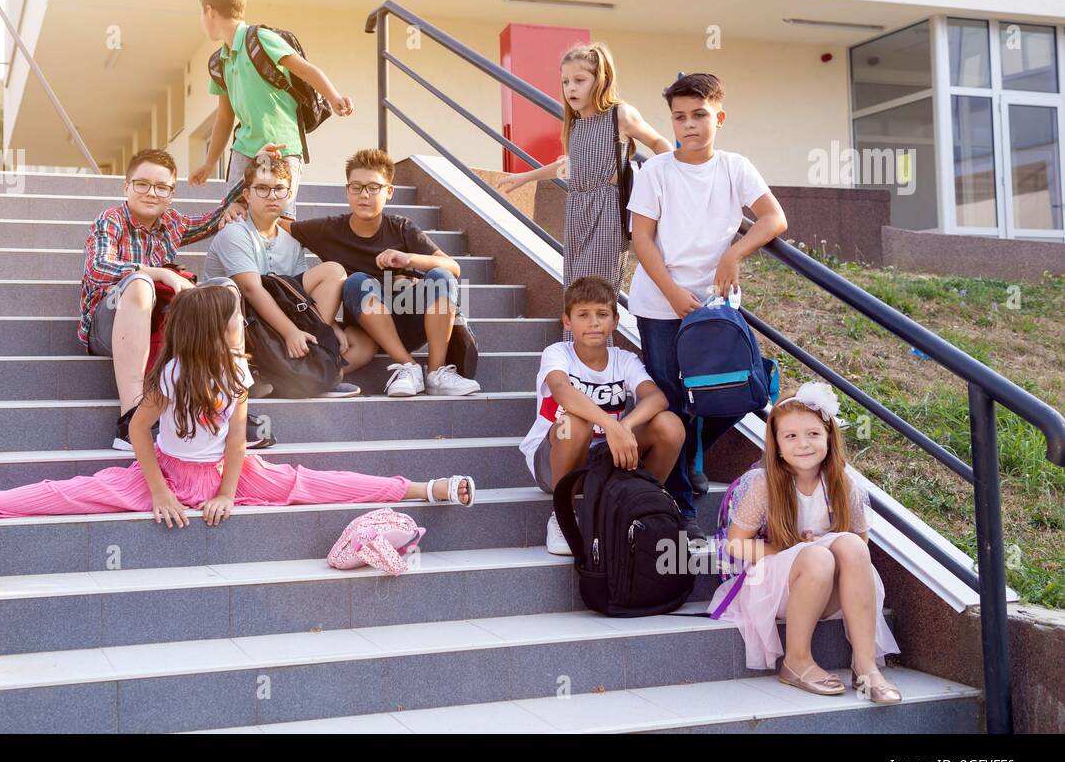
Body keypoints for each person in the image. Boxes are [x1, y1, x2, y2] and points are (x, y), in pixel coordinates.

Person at [0, 284, 475, 528]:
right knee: (67, 495)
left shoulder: (238, 370)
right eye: (236, 319)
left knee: (316, 482)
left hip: (227, 474)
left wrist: (230, 491)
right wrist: (158, 490)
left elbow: (236, 440)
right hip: (162, 475)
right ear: (214, 329)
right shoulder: (176, 372)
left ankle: (425, 489)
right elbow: (139, 432)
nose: (242, 325)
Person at [626, 72, 788, 540]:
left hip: (715, 304)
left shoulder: (735, 167)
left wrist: (734, 252)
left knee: (748, 388)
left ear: (718, 116)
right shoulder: (656, 170)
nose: (689, 125)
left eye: (699, 115)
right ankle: (681, 504)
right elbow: (642, 238)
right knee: (672, 401)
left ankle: (696, 446)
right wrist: (673, 293)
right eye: (679, 117)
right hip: (660, 303)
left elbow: (774, 218)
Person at [708, 382, 902, 703]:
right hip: (773, 586)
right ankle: (796, 661)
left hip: (826, 587)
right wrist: (794, 550)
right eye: (791, 436)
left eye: (813, 434)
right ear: (777, 445)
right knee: (816, 557)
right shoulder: (764, 485)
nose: (803, 444)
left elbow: (860, 546)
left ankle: (865, 665)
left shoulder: (844, 485)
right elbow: (735, 545)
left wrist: (823, 543)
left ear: (829, 437)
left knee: (851, 547)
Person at [79, 147, 244, 449]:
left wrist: (252, 172)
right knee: (141, 284)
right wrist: (159, 273)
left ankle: (227, 411)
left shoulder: (172, 223)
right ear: (126, 186)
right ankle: (131, 419)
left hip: (156, 325)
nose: (151, 193)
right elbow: (98, 269)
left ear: (171, 193)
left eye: (161, 187)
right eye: (142, 184)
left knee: (225, 292)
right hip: (108, 326)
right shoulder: (111, 220)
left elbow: (211, 220)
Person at [284, 148, 480, 398]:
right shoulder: (329, 229)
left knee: (441, 276)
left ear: (389, 192)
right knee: (356, 281)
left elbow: (454, 267)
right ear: (347, 191)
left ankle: (436, 373)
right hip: (368, 327)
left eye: (373, 187)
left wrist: (409, 258)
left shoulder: (401, 228)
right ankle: (408, 366)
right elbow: (279, 222)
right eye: (356, 187)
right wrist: (236, 207)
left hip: (410, 321)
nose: (364, 195)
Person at [519, 276, 685, 556]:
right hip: (554, 460)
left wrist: (625, 427)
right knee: (574, 423)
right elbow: (562, 391)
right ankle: (562, 515)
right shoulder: (557, 353)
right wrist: (610, 424)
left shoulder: (624, 359)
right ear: (567, 321)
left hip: (606, 458)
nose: (594, 322)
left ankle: (636, 508)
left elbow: (657, 397)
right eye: (583, 315)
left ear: (615, 321)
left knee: (671, 426)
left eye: (602, 314)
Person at [496, 42, 671, 303]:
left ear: (600, 80)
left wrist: (673, 178)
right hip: (577, 209)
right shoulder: (576, 124)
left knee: (598, 290)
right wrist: (526, 177)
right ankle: (575, 344)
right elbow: (569, 166)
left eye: (580, 80)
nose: (571, 88)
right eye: (565, 81)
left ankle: (600, 343)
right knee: (575, 291)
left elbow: (659, 143)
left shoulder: (620, 115)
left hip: (607, 211)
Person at [187, 0, 353, 217]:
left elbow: (306, 70)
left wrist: (334, 97)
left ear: (209, 11)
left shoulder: (261, 39)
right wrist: (210, 163)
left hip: (282, 146)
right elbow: (224, 118)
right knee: (235, 214)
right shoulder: (218, 62)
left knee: (280, 216)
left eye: (201, 14)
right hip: (244, 148)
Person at [203, 152, 361, 397]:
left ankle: (303, 367)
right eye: (262, 189)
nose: (272, 196)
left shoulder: (291, 240)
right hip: (236, 320)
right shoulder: (234, 233)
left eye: (279, 189)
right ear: (247, 194)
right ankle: (272, 372)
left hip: (274, 318)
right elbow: (251, 290)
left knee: (334, 272)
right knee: (235, 291)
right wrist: (290, 332)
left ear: (289, 194)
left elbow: (300, 296)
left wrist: (328, 326)